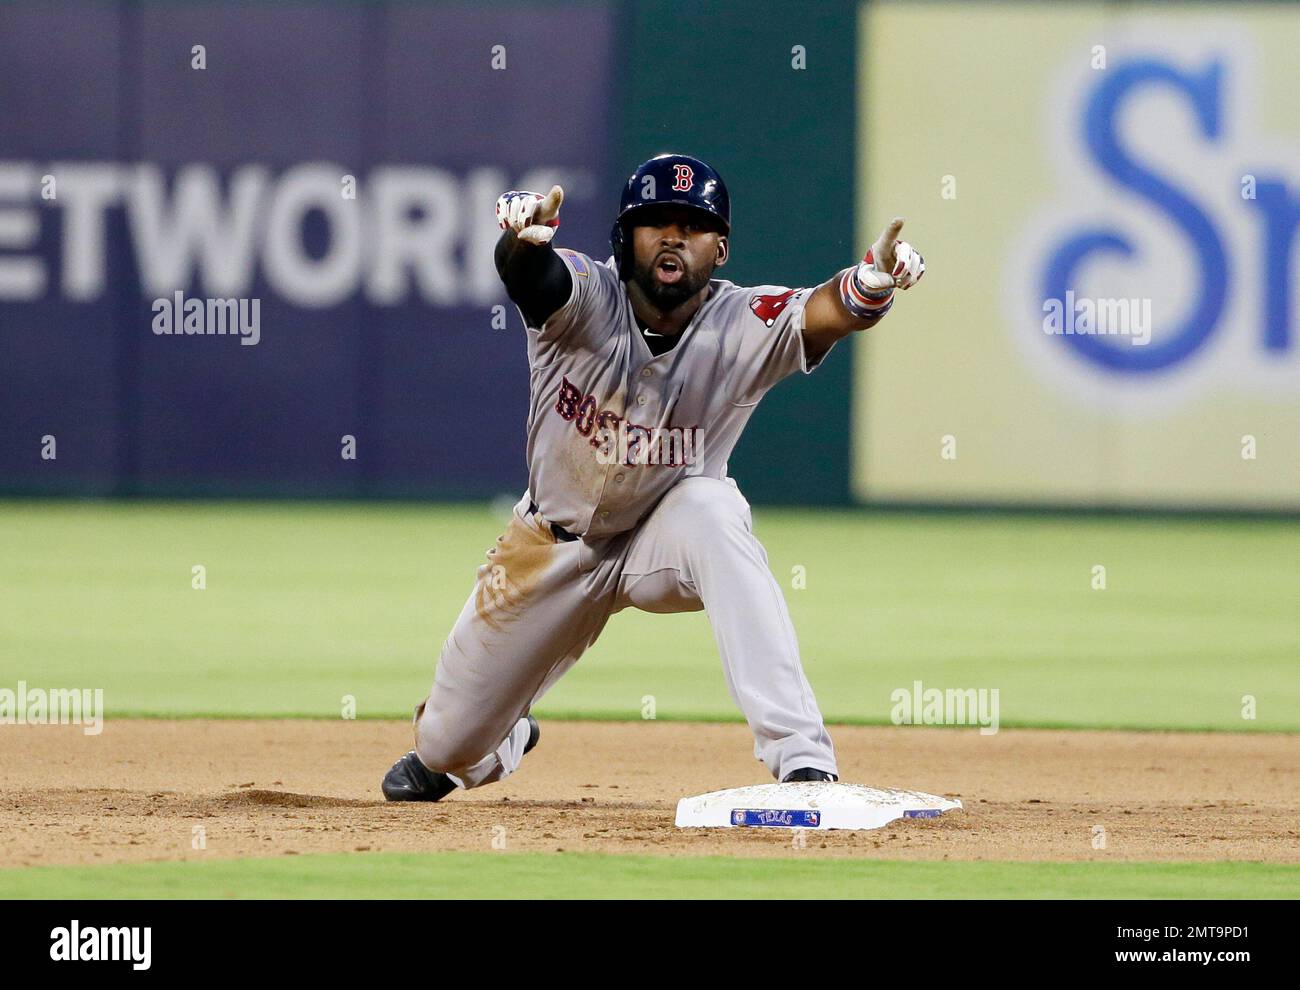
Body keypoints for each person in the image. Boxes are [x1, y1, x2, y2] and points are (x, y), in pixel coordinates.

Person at [382, 153, 925, 801]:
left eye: (693, 226)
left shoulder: (744, 321)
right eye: (656, 222)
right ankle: (499, 738)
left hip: (662, 538)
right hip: (548, 547)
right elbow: (535, 279)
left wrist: (871, 281)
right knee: (443, 748)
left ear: (719, 248)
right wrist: (520, 245)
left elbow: (827, 310)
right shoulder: (587, 293)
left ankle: (804, 764)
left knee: (714, 512)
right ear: (624, 237)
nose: (673, 236)